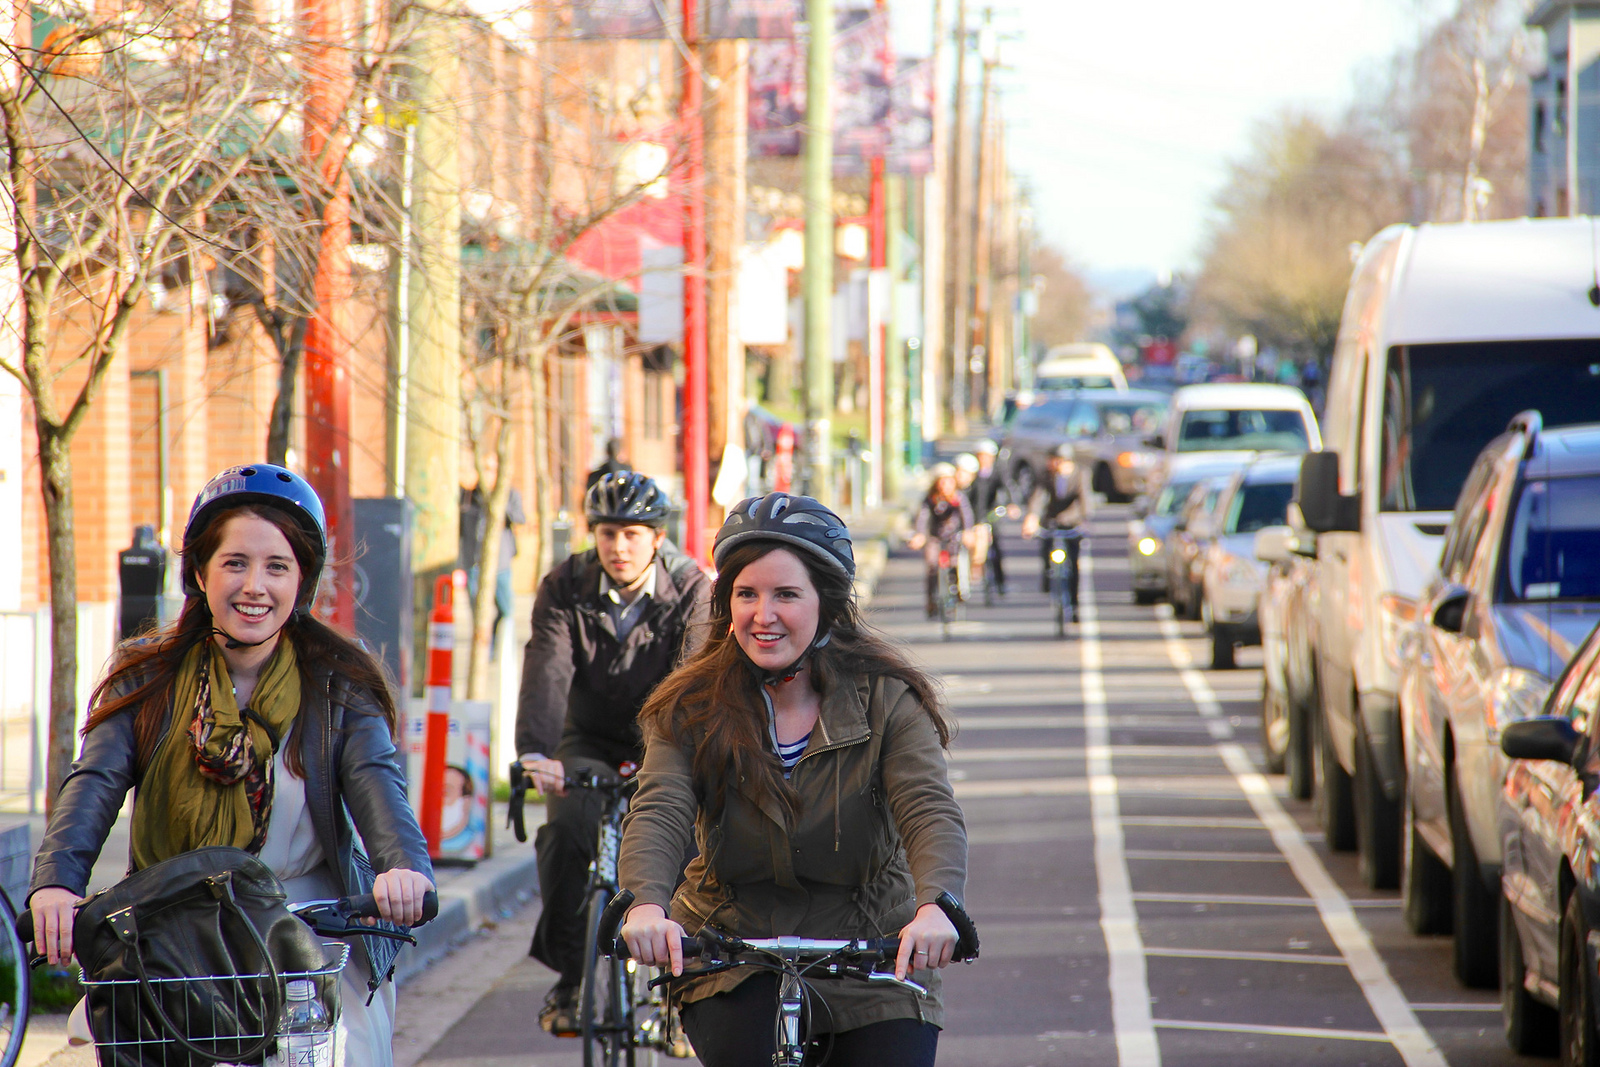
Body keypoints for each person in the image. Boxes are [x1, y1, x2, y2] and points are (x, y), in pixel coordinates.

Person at [28, 464, 434, 1067]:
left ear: (303, 579)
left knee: (347, 1050)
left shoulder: (337, 685)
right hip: (172, 931)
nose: (255, 586)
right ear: (200, 572)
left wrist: (403, 870)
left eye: (278, 567)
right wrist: (57, 881)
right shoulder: (147, 676)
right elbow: (94, 782)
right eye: (235, 563)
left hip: (305, 936)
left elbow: (379, 786)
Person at [617, 492, 968, 1067]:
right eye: (746, 594)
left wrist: (937, 907)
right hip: (730, 946)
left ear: (827, 604)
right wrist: (647, 906)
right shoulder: (689, 706)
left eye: (786, 594)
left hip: (872, 948)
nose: (763, 615)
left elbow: (928, 809)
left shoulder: (888, 700)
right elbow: (659, 809)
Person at [515, 471, 712, 1036]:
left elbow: (694, 675)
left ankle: (684, 989)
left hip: (667, 736)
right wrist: (536, 751)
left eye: (631, 534)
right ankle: (571, 978)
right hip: (588, 737)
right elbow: (547, 666)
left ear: (657, 537)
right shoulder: (565, 585)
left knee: (688, 846)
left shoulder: (691, 588)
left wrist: (682, 757)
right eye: (607, 533)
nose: (618, 546)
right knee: (565, 833)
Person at [1022, 444, 1092, 619]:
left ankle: (1074, 605)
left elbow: (1085, 502)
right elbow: (1038, 498)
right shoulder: (1046, 475)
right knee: (1046, 546)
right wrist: (1032, 517)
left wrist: (1079, 519)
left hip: (1072, 524)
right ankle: (1048, 576)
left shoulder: (1080, 474)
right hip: (1052, 522)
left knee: (1073, 565)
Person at [908, 462, 975, 618]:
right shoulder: (930, 500)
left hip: (954, 537)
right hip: (935, 537)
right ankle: (931, 600)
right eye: (942, 482)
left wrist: (968, 531)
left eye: (948, 481)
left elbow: (966, 516)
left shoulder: (958, 498)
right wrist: (919, 534)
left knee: (956, 561)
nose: (945, 486)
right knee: (932, 566)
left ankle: (958, 590)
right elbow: (922, 518)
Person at [966, 441, 1013, 597]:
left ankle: (1000, 582)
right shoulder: (972, 474)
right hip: (974, 515)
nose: (983, 460)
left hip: (991, 515)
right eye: (980, 456)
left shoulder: (998, 472)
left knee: (996, 546)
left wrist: (1011, 505)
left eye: (987, 457)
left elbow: (1007, 488)